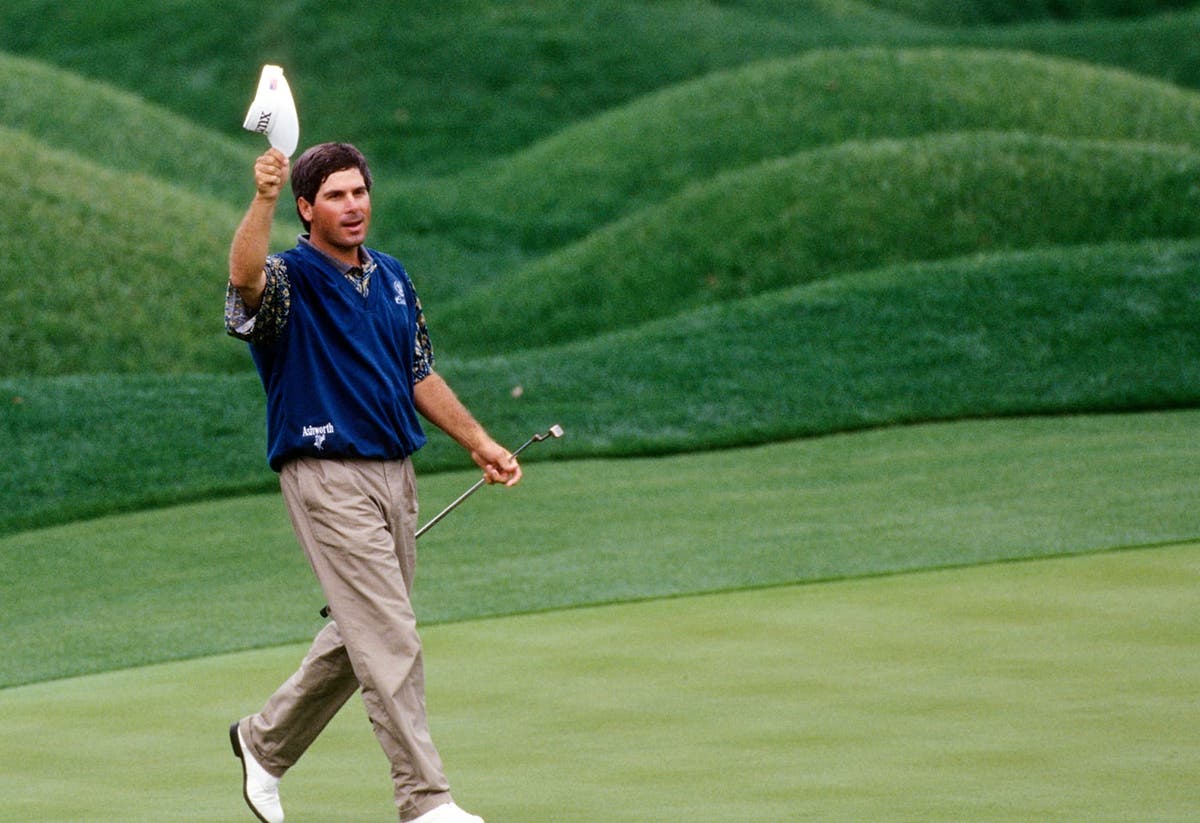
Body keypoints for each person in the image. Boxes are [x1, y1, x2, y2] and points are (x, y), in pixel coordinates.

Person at [224, 142, 520, 823]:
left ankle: (263, 743)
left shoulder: (392, 277)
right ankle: (426, 801)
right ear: (306, 208)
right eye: (335, 195)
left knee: (364, 629)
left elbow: (417, 373)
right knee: (389, 635)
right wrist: (262, 197)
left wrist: (479, 442)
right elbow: (245, 280)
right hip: (325, 472)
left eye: (359, 192)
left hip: (395, 472)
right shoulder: (289, 278)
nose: (353, 205)